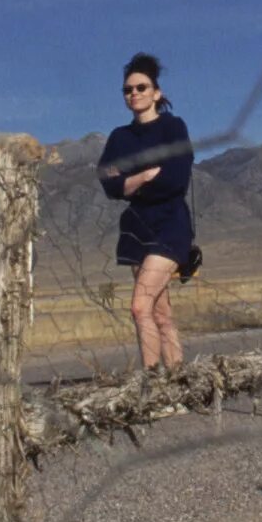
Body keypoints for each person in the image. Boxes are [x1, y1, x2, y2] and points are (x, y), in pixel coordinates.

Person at [97, 52, 199, 372]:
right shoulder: (119, 138)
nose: (134, 94)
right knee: (159, 313)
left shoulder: (173, 128)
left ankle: (152, 388)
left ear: (157, 93)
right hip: (137, 229)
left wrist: (128, 181)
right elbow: (108, 183)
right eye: (128, 90)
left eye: (141, 88)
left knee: (139, 308)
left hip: (170, 225)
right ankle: (180, 385)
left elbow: (176, 178)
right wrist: (143, 177)